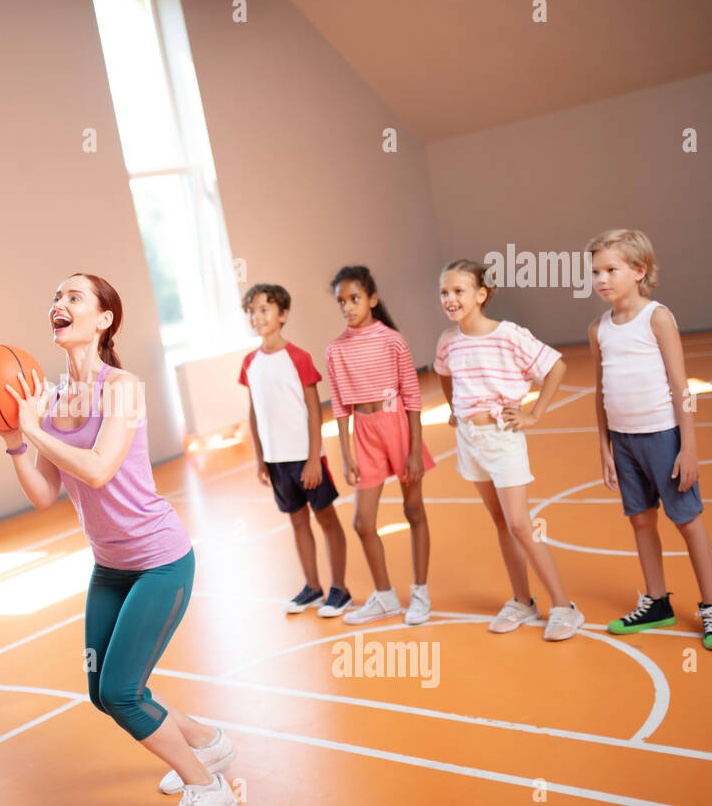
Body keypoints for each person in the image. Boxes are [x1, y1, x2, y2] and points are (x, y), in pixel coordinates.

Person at [0, 272, 238, 806]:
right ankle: (209, 743)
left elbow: (101, 468)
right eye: (55, 295)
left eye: (73, 297)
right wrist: (15, 440)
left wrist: (35, 431)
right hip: (109, 568)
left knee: (121, 693)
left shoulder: (122, 387)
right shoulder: (53, 401)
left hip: (160, 560)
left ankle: (208, 790)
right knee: (101, 690)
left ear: (104, 319)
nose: (59, 302)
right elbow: (43, 495)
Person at [587, 229, 712, 649]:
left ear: (639, 270)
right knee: (641, 520)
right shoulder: (598, 328)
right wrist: (604, 448)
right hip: (624, 441)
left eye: (611, 269)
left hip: (663, 437)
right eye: (596, 271)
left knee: (687, 521)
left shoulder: (658, 318)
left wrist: (689, 446)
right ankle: (657, 602)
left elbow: (681, 385)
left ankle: (711, 608)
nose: (601, 279)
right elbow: (600, 391)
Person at [434, 259, 583, 640]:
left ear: (481, 295)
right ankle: (522, 600)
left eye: (459, 291)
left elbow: (556, 367)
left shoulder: (509, 335)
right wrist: (456, 410)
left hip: (502, 439)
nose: (450, 299)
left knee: (519, 523)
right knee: (501, 523)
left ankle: (564, 606)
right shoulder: (448, 342)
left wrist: (534, 413)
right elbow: (445, 374)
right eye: (445, 292)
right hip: (470, 440)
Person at [324, 266, 434, 625]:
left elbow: (413, 397)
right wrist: (346, 456)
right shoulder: (335, 350)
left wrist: (415, 450)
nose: (348, 307)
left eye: (354, 298)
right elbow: (340, 407)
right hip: (365, 434)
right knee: (362, 522)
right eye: (341, 301)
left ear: (371, 298)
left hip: (397, 426)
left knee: (413, 510)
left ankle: (420, 592)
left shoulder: (392, 340)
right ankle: (385, 596)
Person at [239, 283, 350, 615]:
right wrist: (260, 457)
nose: (257, 317)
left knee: (326, 519)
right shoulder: (249, 362)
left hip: (305, 457)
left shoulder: (298, 357)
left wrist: (315, 457)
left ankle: (340, 589)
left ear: (283, 314)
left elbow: (315, 410)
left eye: (264, 309)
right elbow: (254, 411)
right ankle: (312, 587)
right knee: (297, 522)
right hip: (276, 462)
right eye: (252, 311)